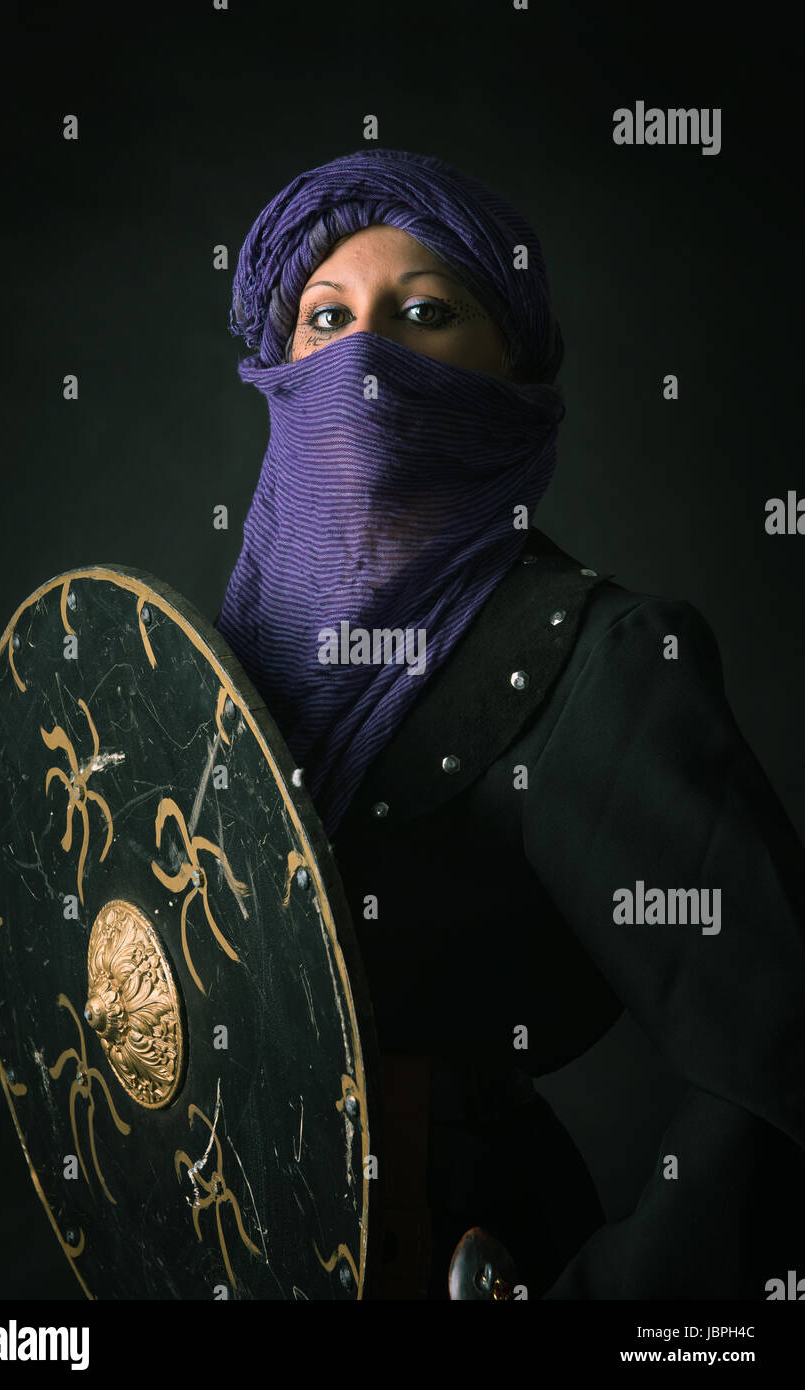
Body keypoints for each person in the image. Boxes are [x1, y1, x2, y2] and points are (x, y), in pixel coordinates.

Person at [216, 148, 805, 1300]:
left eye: (424, 313)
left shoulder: (603, 661)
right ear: (277, 366)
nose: (366, 360)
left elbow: (779, 1054)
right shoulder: (227, 660)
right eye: (325, 318)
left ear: (513, 376)